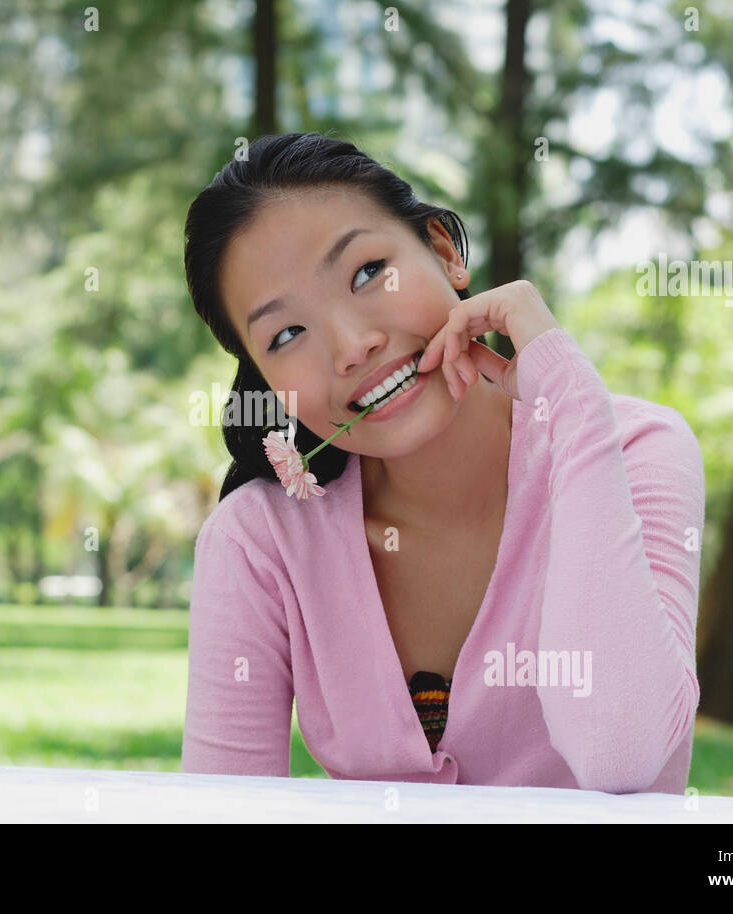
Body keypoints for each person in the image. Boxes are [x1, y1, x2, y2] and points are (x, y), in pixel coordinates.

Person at [180, 132, 704, 793]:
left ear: (443, 250)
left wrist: (569, 396)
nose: (352, 344)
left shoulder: (632, 452)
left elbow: (621, 753)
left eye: (369, 273)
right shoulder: (259, 540)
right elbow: (221, 811)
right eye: (286, 334)